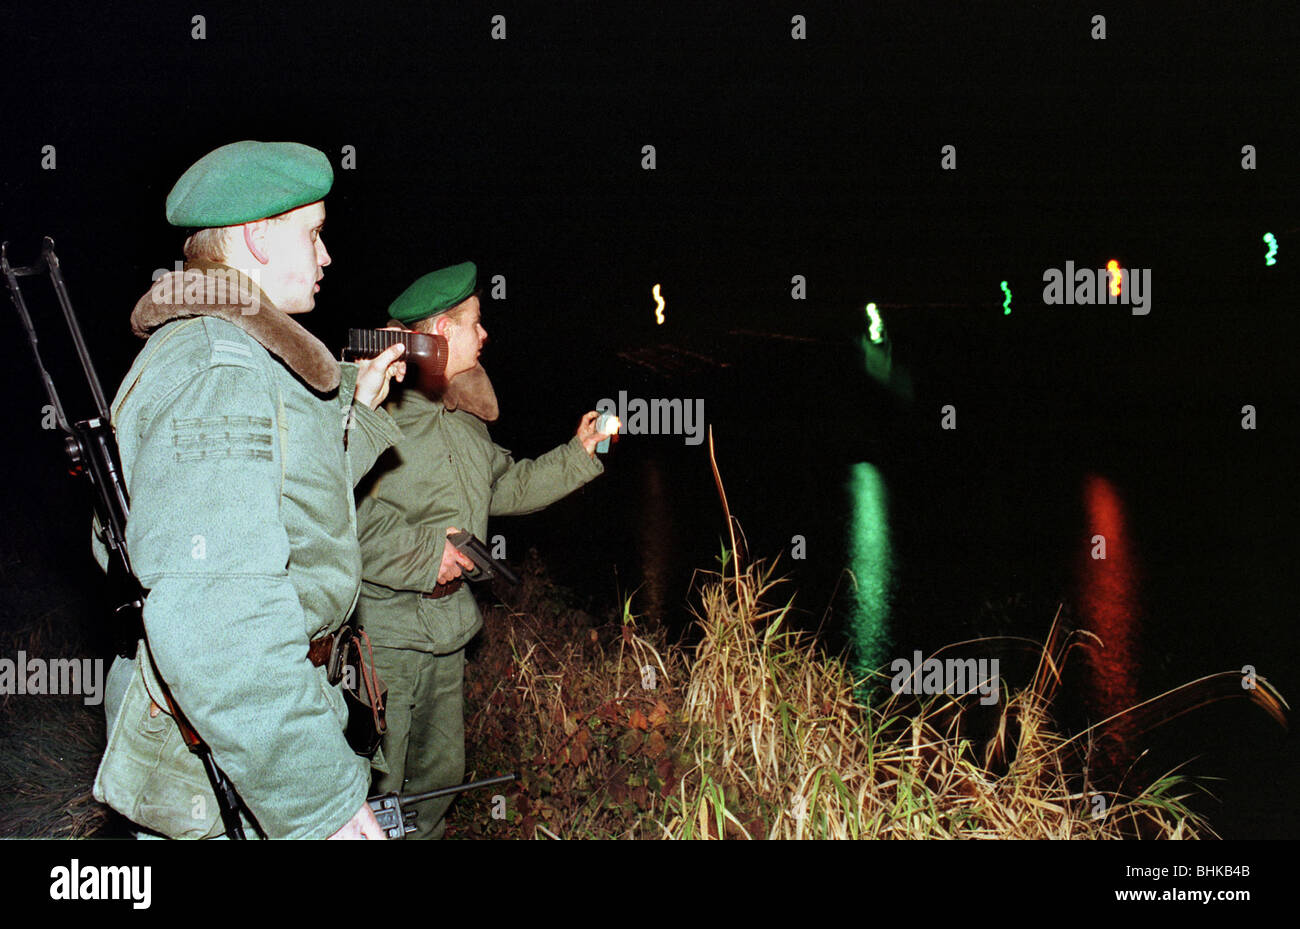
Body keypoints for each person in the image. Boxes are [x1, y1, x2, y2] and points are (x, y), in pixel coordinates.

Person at [93, 141, 407, 839]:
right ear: (258, 237)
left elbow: (287, 498)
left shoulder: (225, 350)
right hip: (229, 753)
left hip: (239, 739)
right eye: (315, 233)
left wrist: (355, 400)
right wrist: (320, 804)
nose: (327, 256)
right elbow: (217, 625)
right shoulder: (219, 368)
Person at [355, 261, 612, 838]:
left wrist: (579, 451)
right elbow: (341, 524)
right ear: (443, 331)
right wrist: (427, 555)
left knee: (439, 774)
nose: (485, 333)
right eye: (476, 322)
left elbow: (505, 485)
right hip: (384, 633)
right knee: (375, 783)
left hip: (448, 627)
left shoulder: (464, 421)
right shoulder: (371, 418)